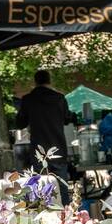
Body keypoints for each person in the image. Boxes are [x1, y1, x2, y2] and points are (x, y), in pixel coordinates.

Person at [15, 69, 76, 203]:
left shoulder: (28, 99)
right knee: (62, 188)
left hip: (38, 152)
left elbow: (19, 123)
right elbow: (67, 119)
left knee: (41, 188)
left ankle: (45, 216)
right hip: (58, 149)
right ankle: (66, 216)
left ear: (35, 82)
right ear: (49, 80)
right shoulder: (60, 98)